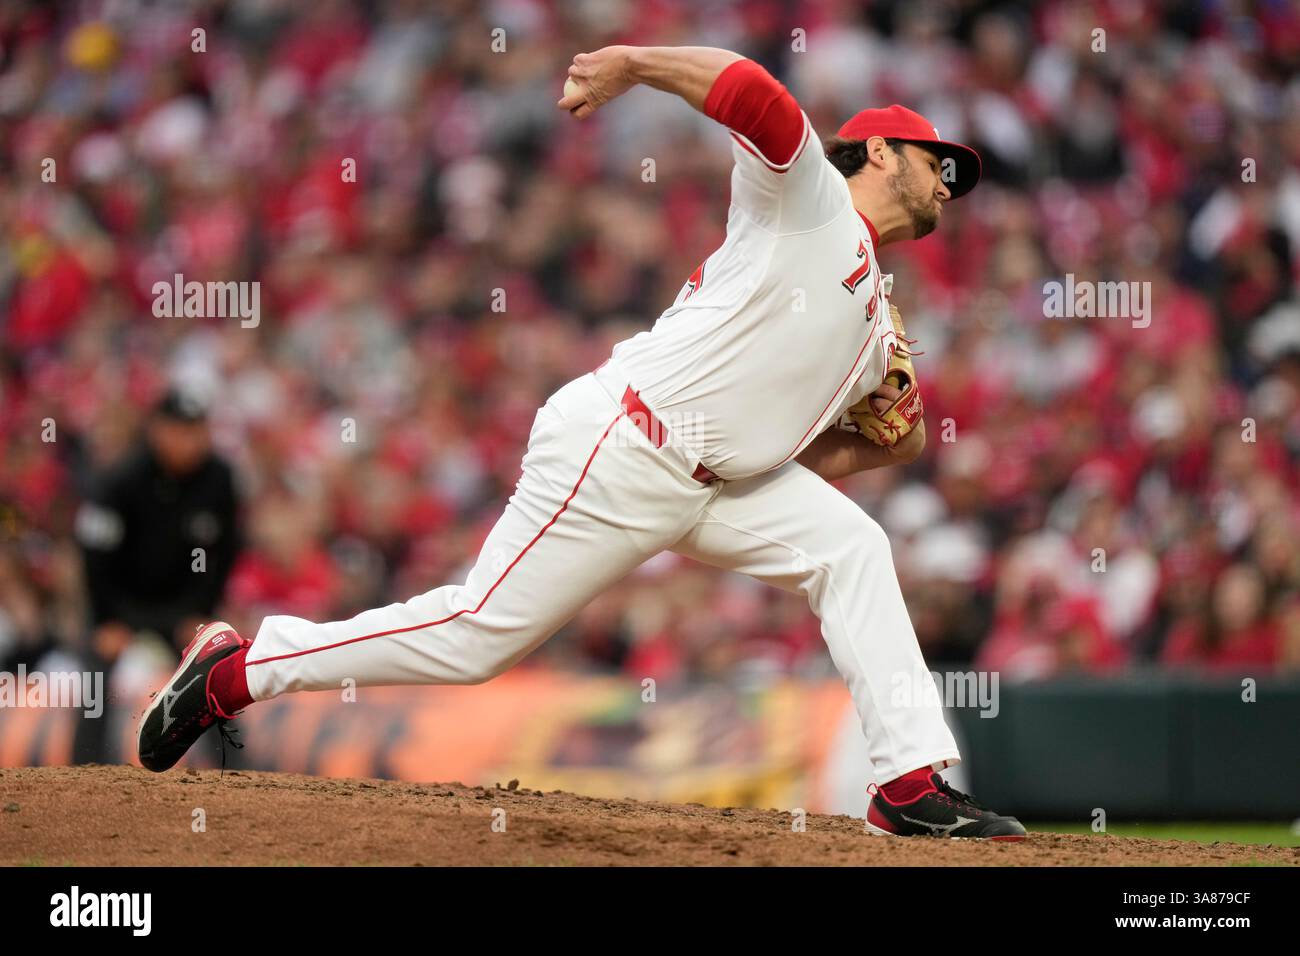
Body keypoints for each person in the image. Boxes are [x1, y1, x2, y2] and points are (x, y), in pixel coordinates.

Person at [138, 46, 1025, 839]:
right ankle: (238, 671)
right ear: (877, 150)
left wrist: (873, 431)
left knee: (852, 546)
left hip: (719, 481)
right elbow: (752, 88)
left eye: (956, 169)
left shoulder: (879, 324)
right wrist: (635, 64)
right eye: (935, 159)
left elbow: (890, 447)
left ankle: (908, 782)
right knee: (476, 638)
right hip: (624, 441)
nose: (948, 178)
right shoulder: (811, 201)